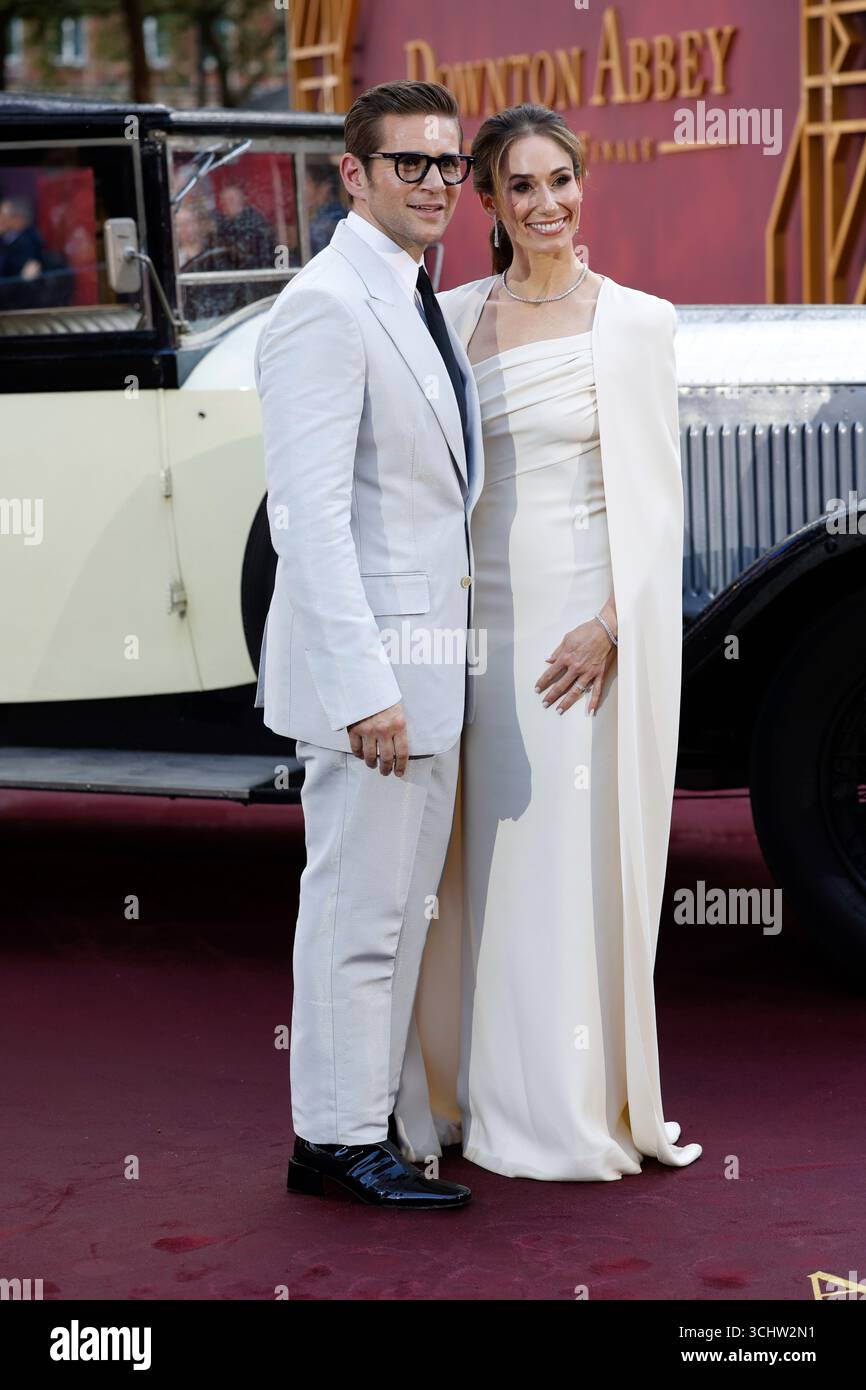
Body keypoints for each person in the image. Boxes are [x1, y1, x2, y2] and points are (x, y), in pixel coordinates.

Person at [395, 103, 703, 1181]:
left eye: (559, 180)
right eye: (519, 187)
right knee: (467, 863)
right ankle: (470, 1090)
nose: (545, 206)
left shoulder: (635, 323)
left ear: (583, 184)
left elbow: (660, 510)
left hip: (578, 636)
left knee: (558, 862)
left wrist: (611, 625)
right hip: (466, 635)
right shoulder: (447, 314)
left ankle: (564, 1105)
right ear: (487, 200)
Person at [253, 80, 484, 1209]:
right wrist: (363, 690)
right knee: (353, 912)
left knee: (394, 914)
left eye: (449, 165)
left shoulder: (411, 292)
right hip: (374, 688)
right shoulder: (324, 305)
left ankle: (362, 1128)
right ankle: (333, 1144)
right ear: (353, 175)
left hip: (427, 674)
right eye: (412, 165)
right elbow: (307, 521)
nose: (437, 183)